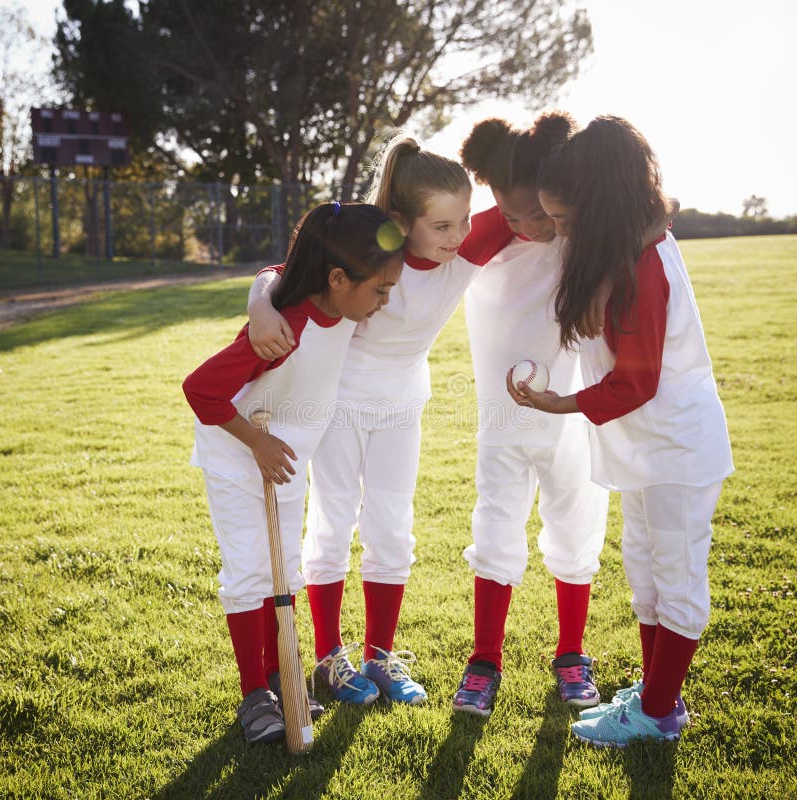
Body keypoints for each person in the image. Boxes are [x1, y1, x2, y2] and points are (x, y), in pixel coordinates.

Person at [246, 137, 514, 706]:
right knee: (333, 521)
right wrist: (259, 307)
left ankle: (380, 656)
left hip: (403, 405)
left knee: (393, 525)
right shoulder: (368, 247)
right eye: (441, 226)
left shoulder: (462, 251)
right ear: (400, 222)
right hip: (337, 403)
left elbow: (527, 208)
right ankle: (329, 658)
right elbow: (277, 272)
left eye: (464, 220)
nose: (458, 236)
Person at [509, 115, 734, 746]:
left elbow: (637, 381)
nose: (557, 232)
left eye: (565, 220)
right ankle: (656, 696)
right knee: (645, 572)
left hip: (676, 449)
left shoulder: (647, 267)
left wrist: (560, 404)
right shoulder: (622, 251)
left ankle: (659, 714)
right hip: (643, 445)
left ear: (601, 206)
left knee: (678, 578)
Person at [182, 202, 403, 742]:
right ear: (337, 278)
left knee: (284, 574)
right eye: (379, 290)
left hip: (283, 456)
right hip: (238, 451)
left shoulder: (340, 309)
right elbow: (200, 389)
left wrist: (260, 290)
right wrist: (255, 441)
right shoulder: (286, 329)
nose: (384, 301)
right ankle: (255, 694)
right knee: (250, 574)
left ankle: (283, 679)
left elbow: (278, 272)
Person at [452, 113, 609, 717]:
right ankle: (484, 659)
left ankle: (571, 653)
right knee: (495, 526)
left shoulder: (579, 222)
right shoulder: (486, 232)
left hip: (572, 416)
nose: (528, 227)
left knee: (575, 528)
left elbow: (656, 208)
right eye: (514, 215)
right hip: (503, 422)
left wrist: (596, 286)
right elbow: (401, 251)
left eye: (538, 215)